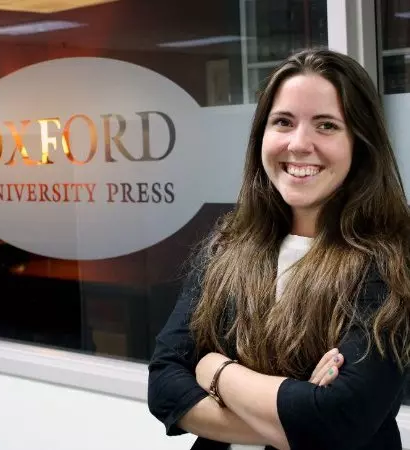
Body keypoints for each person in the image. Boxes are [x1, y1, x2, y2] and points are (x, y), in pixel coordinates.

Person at [148, 49, 410, 450]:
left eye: (326, 125)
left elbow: (339, 417)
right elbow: (164, 383)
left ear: (360, 142)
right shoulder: (228, 246)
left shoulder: (393, 261)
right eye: (283, 122)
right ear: (261, 137)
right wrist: (298, 416)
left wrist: (215, 369)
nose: (299, 143)